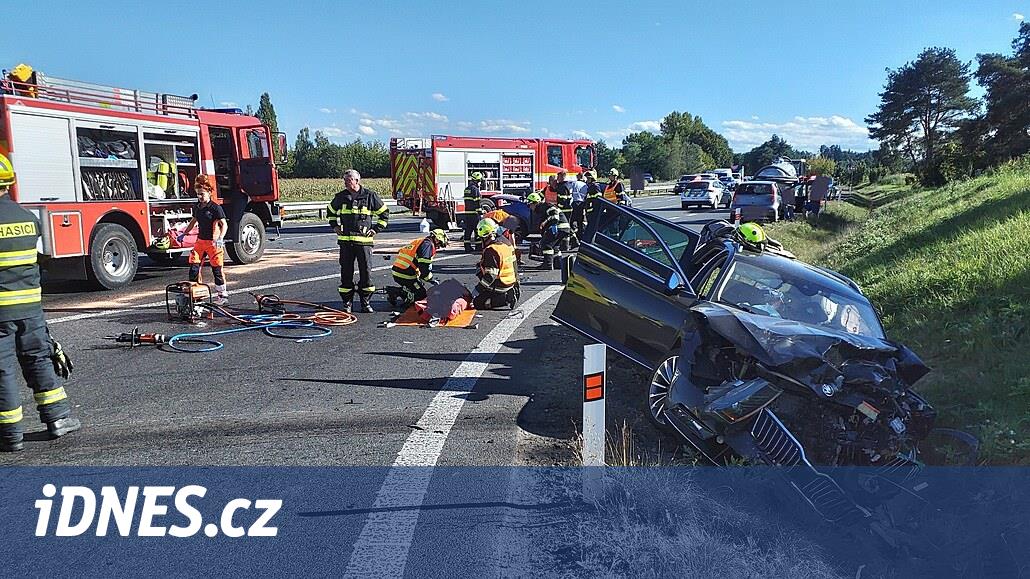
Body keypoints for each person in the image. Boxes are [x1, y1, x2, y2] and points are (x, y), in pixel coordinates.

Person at [0, 153, 80, 452]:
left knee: (3, 370)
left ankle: (10, 436)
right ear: (10, 182)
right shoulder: (27, 219)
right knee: (39, 360)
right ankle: (57, 419)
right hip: (31, 309)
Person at [327, 169, 389, 313]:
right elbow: (330, 211)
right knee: (346, 273)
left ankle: (365, 302)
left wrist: (376, 229)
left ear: (357, 181)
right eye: (345, 181)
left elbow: (384, 214)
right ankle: (347, 303)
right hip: (346, 243)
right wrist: (334, 226)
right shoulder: (340, 197)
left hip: (364, 243)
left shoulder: (370, 196)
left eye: (349, 180)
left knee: (366, 273)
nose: (346, 183)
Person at [178, 175, 229, 304]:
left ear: (209, 193)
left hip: (213, 243)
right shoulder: (197, 207)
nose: (200, 197)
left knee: (217, 270)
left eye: (202, 194)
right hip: (200, 242)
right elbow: (193, 221)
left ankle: (222, 296)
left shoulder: (215, 208)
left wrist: (220, 238)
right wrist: (184, 233)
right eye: (198, 194)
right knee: (194, 268)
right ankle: (196, 294)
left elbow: (224, 224)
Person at [391, 229, 448, 307]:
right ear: (437, 239)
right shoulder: (427, 246)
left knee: (418, 286)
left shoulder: (422, 242)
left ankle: (405, 291)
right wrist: (430, 279)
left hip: (400, 271)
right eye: (439, 244)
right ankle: (395, 292)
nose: (438, 247)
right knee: (421, 295)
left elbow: (416, 261)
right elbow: (424, 267)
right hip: (405, 274)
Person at [473, 218, 519, 310]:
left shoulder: (491, 250)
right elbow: (515, 266)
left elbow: (491, 275)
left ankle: (505, 299)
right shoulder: (506, 242)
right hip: (511, 282)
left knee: (478, 303)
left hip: (501, 283)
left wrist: (477, 290)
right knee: (480, 266)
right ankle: (508, 292)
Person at [527, 192, 571, 270]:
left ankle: (547, 264)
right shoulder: (541, 209)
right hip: (563, 228)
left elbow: (555, 215)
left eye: (530, 204)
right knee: (555, 247)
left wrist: (545, 222)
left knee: (546, 244)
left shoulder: (545, 206)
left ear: (535, 203)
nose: (529, 207)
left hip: (559, 227)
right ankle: (558, 264)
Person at [461, 172, 485, 252]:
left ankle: (467, 247)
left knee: (468, 230)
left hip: (467, 213)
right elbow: (477, 203)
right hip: (474, 214)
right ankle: (478, 246)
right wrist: (480, 212)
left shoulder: (467, 189)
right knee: (477, 230)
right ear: (478, 180)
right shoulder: (475, 190)